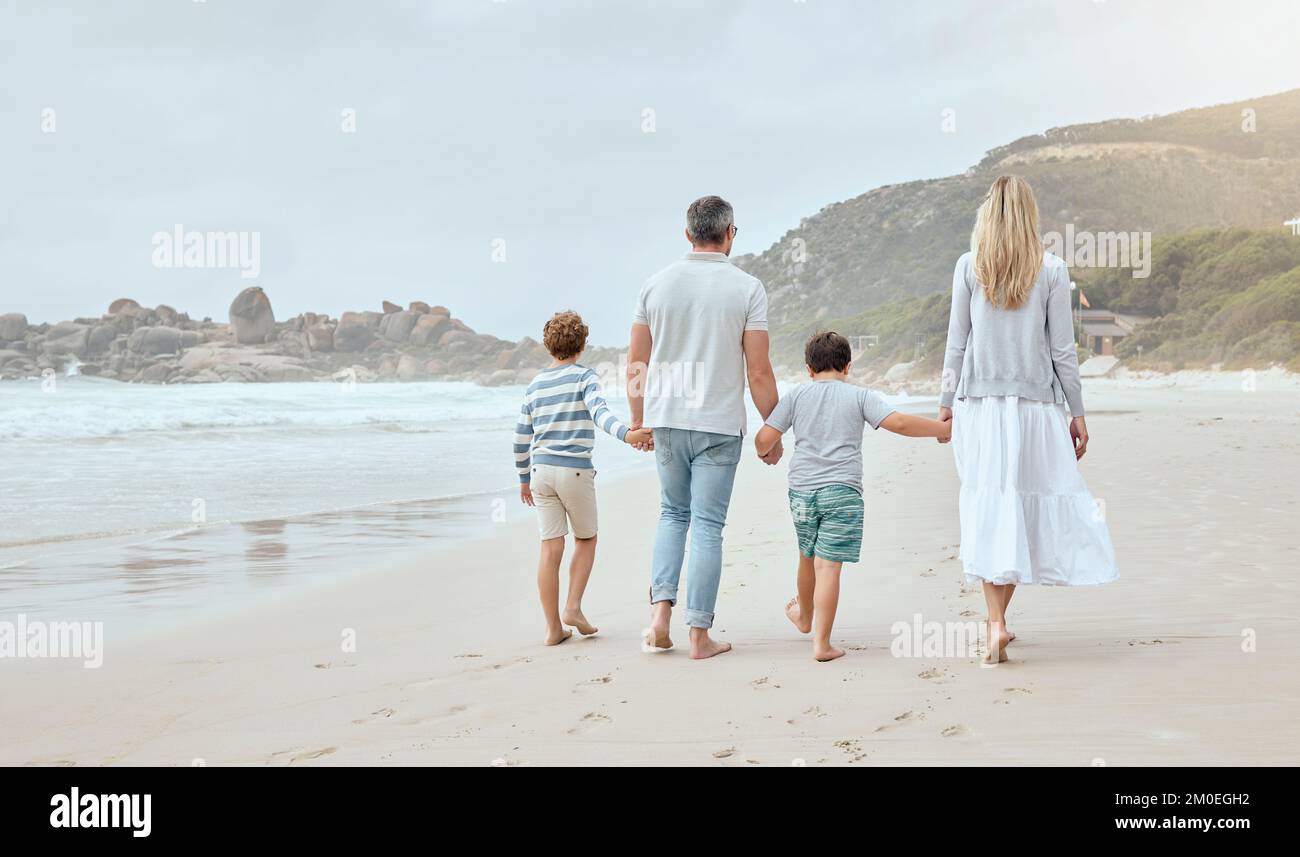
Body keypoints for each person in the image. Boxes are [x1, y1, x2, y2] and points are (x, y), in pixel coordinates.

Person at [938, 175, 1119, 665]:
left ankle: (995, 622)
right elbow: (1063, 349)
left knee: (991, 503)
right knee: (1020, 505)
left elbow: (957, 341)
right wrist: (1077, 412)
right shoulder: (1052, 268)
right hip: (1036, 406)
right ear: (1029, 214)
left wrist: (945, 400)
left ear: (987, 214)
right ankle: (998, 622)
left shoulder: (968, 266)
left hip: (979, 404)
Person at [627, 195, 781, 659]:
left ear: (687, 233)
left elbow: (637, 361)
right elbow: (758, 371)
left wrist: (638, 420)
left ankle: (659, 617)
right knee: (708, 526)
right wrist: (772, 429)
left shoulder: (655, 286)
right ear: (730, 232)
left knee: (673, 515)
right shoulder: (748, 288)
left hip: (668, 420)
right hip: (718, 424)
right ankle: (699, 636)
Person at [755, 331, 952, 661]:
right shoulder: (859, 396)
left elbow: (764, 438)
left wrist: (766, 451)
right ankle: (822, 644)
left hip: (801, 492)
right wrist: (942, 430)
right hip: (842, 492)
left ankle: (804, 617)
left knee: (806, 554)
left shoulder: (796, 397)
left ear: (808, 369)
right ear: (847, 366)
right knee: (828, 566)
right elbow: (900, 423)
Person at [515, 310, 652, 645]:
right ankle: (573, 608)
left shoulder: (535, 385)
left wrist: (522, 478)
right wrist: (627, 435)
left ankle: (552, 629)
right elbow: (600, 414)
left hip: (540, 472)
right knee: (586, 539)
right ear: (582, 344)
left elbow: (521, 436)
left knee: (550, 548)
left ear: (549, 346)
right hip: (574, 470)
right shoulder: (585, 377)